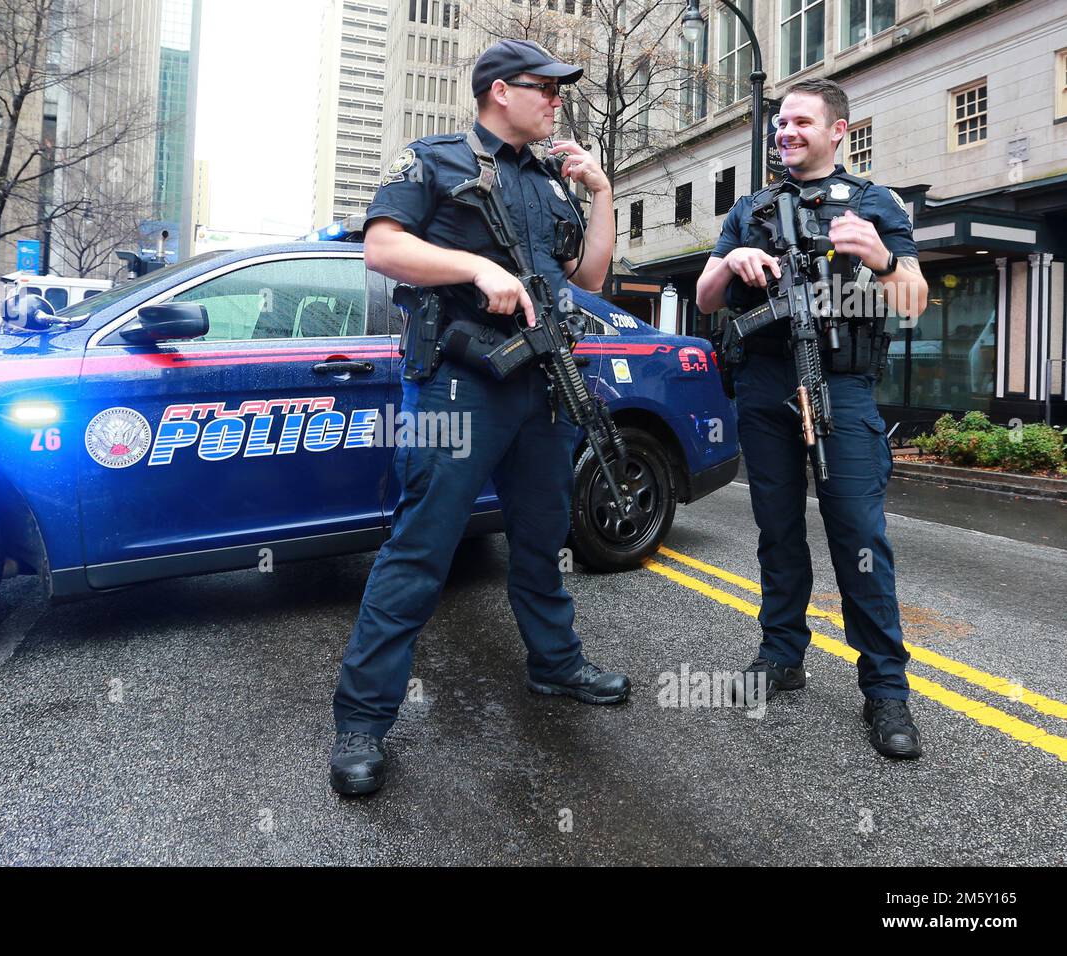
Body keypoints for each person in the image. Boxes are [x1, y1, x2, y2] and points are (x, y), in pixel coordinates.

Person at [329, 39, 626, 796]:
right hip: (459, 386)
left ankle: (555, 666)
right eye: (546, 89)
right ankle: (362, 722)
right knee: (419, 549)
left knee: (541, 539)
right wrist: (474, 265)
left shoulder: (553, 180)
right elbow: (382, 248)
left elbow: (587, 279)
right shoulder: (432, 160)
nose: (557, 101)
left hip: (543, 385)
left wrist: (601, 194)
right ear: (499, 91)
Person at [696, 78, 930, 759]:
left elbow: (913, 299)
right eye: (779, 123)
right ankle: (781, 656)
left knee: (859, 532)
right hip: (766, 381)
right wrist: (731, 261)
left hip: (844, 385)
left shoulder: (874, 204)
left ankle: (885, 689)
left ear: (839, 132)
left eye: (799, 121)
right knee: (776, 527)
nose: (785, 132)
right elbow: (709, 296)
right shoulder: (751, 208)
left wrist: (881, 256)